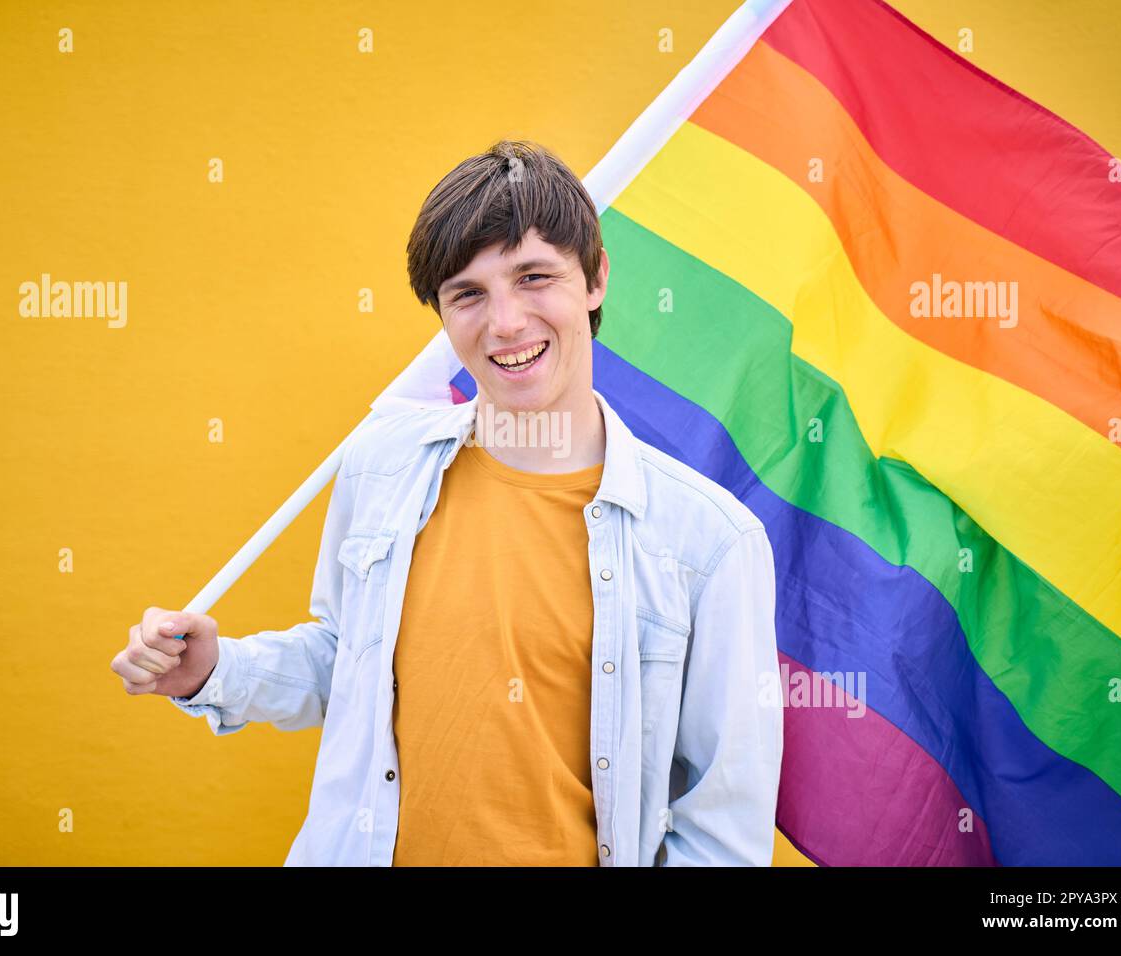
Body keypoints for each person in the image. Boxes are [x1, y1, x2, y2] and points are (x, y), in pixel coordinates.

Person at [111, 140, 783, 866]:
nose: (505, 323)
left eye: (534, 277)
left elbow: (722, 833)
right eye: (468, 293)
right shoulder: (379, 464)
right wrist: (218, 673)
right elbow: (348, 661)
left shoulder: (710, 542)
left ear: (595, 279)